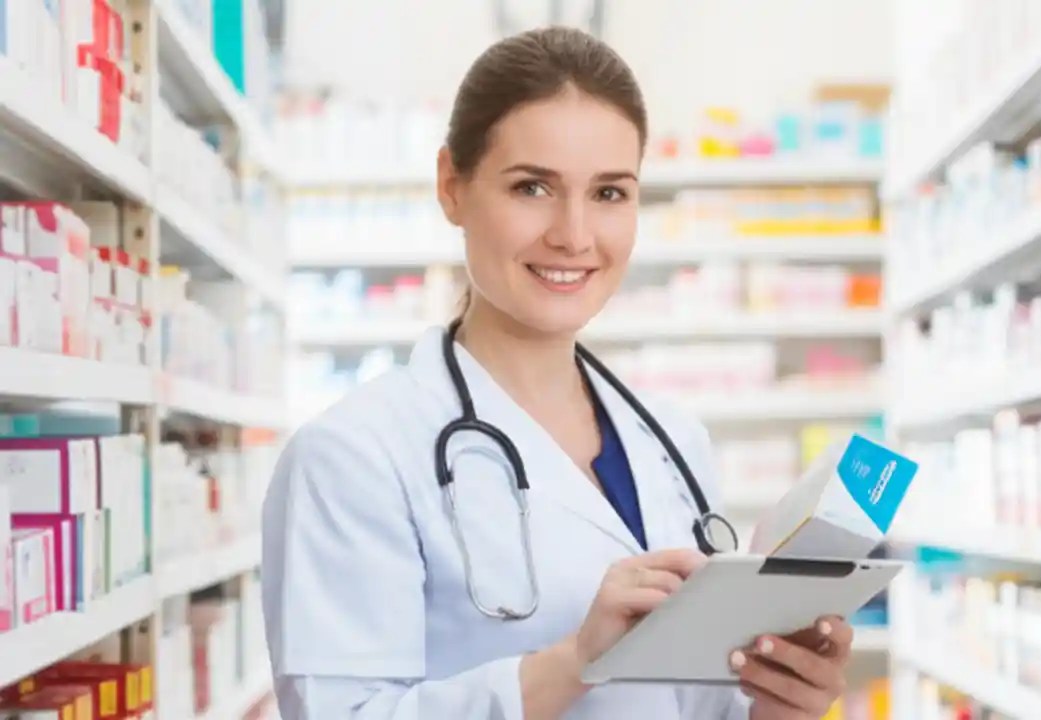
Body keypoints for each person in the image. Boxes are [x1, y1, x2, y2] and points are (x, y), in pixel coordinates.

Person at [262, 26, 853, 720]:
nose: (574, 235)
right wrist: (573, 664)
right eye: (533, 187)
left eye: (609, 193)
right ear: (452, 186)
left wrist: (779, 703)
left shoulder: (674, 444)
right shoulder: (352, 458)